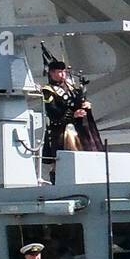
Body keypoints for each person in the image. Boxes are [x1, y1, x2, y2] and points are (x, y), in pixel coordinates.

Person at [40, 49, 103, 181]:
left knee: (82, 153)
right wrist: (72, 114)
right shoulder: (48, 91)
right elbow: (52, 111)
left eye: (63, 72)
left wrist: (85, 105)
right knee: (60, 160)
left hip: (77, 128)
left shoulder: (71, 88)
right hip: (59, 131)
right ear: (51, 73)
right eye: (59, 72)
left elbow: (77, 102)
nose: (62, 75)